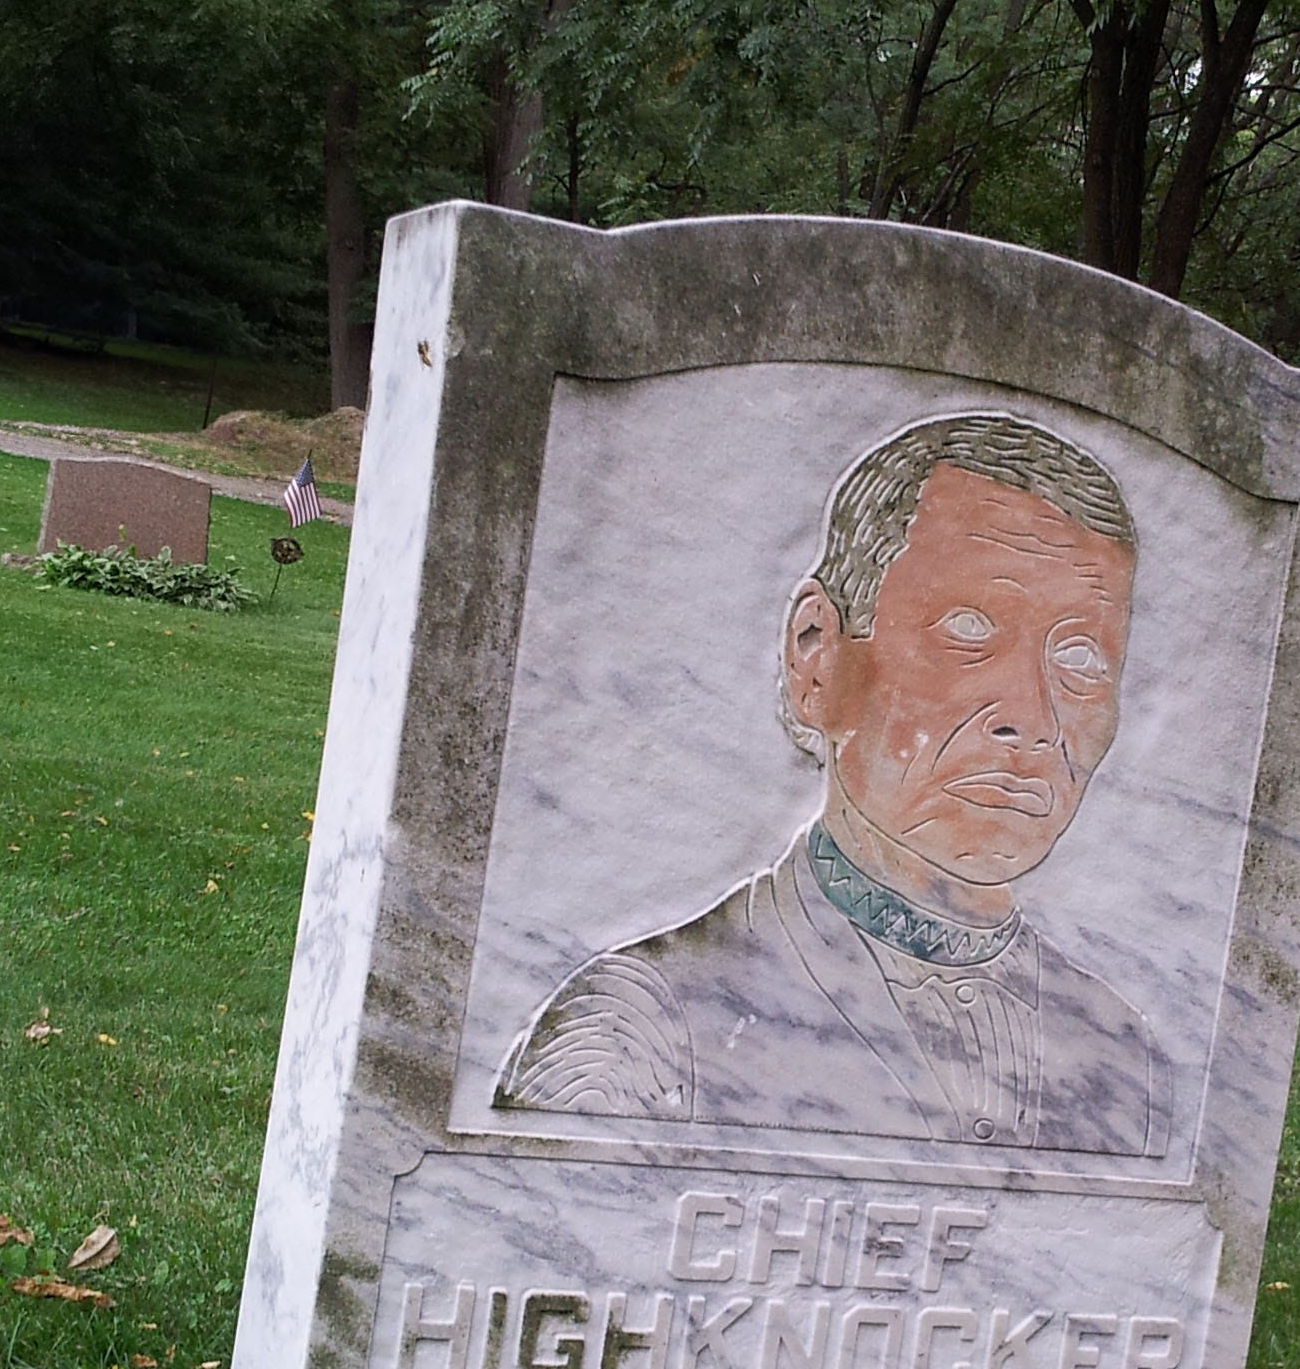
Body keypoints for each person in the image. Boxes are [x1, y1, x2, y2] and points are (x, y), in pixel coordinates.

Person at [497, 410, 1160, 1155]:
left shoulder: (1122, 1058)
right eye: (969, 630)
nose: (1032, 719)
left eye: (1082, 660)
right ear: (818, 657)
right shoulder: (639, 1037)